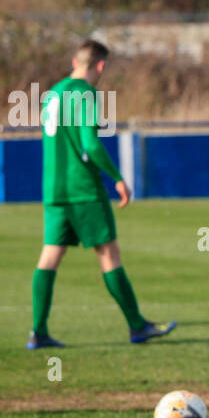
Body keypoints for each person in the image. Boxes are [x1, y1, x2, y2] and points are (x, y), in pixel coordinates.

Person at [28, 40, 175, 349]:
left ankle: (38, 332)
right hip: (84, 190)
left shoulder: (52, 94)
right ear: (101, 65)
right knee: (109, 254)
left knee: (50, 256)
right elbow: (91, 145)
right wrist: (118, 178)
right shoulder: (86, 94)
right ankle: (137, 326)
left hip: (54, 190)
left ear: (74, 61)